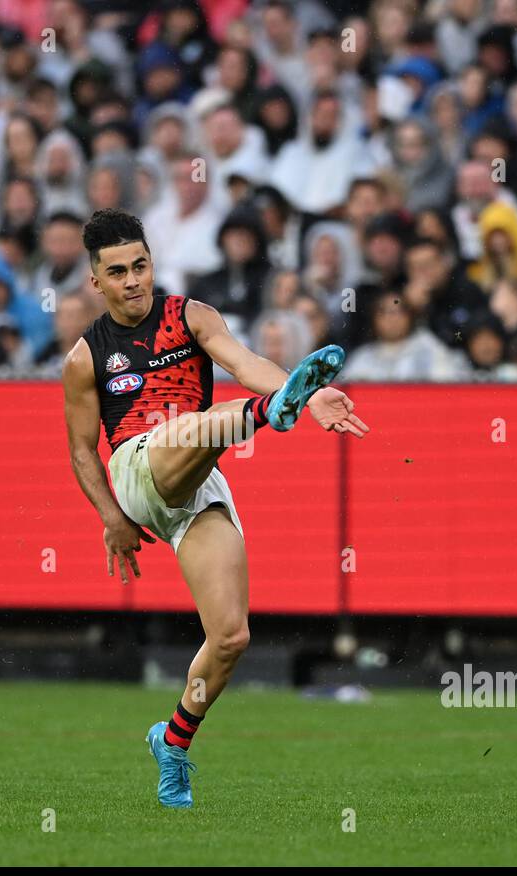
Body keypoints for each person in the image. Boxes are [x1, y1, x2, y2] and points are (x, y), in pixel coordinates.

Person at [62, 209, 368, 809]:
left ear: (153, 262)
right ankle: (266, 415)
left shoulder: (191, 316)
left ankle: (172, 742)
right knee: (200, 425)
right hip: (137, 468)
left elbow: (246, 363)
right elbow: (80, 450)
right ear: (96, 282)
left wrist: (304, 395)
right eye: (117, 272)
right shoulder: (84, 357)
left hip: (197, 476)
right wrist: (111, 518)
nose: (133, 281)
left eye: (140, 266)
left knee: (230, 637)